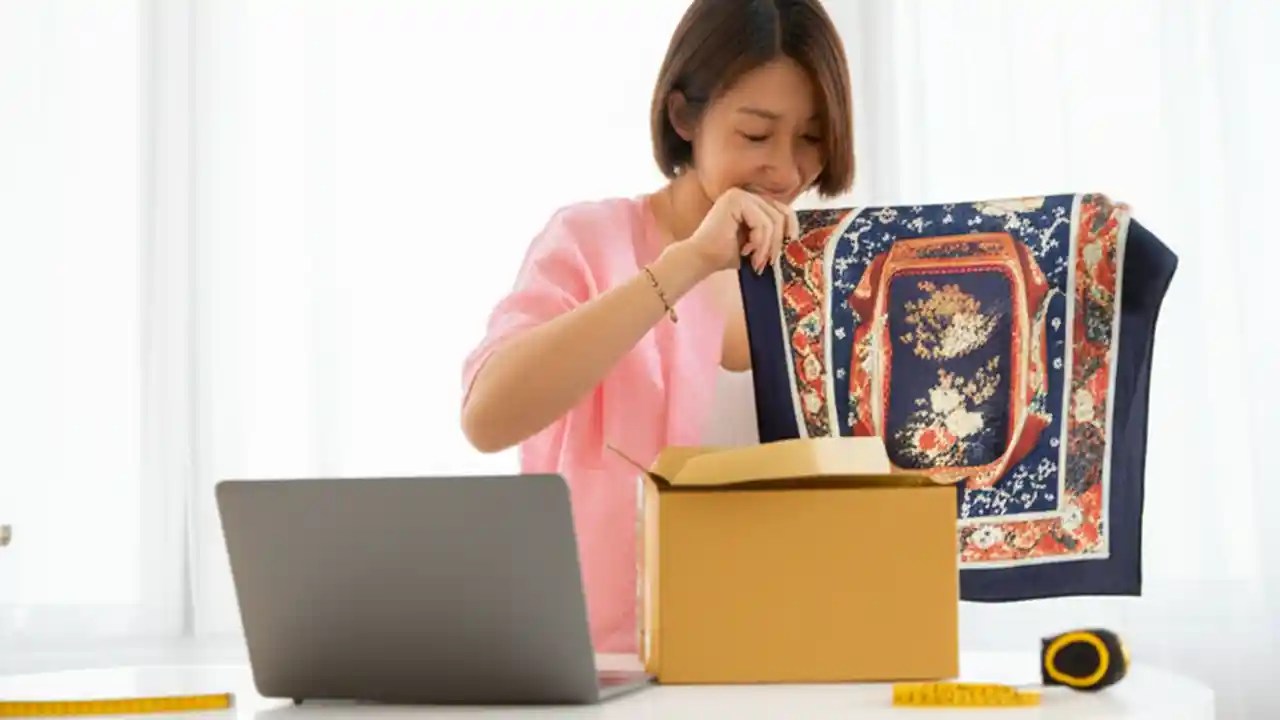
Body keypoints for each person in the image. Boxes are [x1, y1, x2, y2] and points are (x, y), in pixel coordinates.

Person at [459, 0, 856, 655]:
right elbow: (487, 417)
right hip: (615, 668)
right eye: (756, 135)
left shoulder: (834, 271)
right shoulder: (592, 242)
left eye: (812, 137)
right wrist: (686, 265)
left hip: (798, 659)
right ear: (684, 116)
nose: (787, 171)